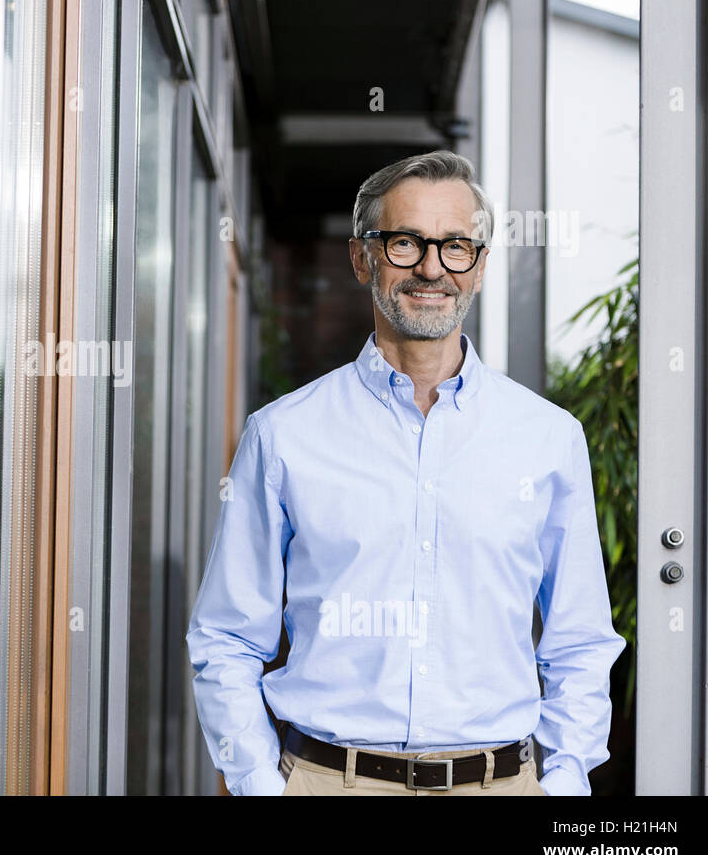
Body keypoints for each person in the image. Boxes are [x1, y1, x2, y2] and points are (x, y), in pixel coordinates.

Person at [186, 150, 626, 796]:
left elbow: (581, 643)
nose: (431, 267)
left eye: (455, 246)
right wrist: (259, 784)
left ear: (477, 268)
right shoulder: (282, 435)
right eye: (405, 242)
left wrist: (560, 784)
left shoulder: (549, 440)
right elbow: (225, 637)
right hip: (326, 780)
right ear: (362, 257)